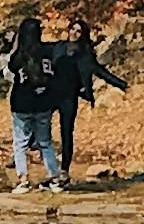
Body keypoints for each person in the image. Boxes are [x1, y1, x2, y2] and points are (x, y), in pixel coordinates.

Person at [51, 14, 127, 180]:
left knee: (67, 132)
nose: (74, 33)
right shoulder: (58, 48)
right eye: (73, 29)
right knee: (40, 126)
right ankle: (42, 157)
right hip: (52, 92)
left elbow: (101, 72)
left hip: (70, 95)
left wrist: (122, 84)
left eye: (79, 31)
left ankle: (64, 169)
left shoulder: (85, 55)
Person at [3, 6, 63, 190]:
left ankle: (23, 179)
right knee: (45, 142)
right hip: (44, 103)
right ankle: (54, 177)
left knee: (20, 142)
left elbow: (10, 70)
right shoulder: (48, 52)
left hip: (21, 104)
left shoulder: (18, 57)